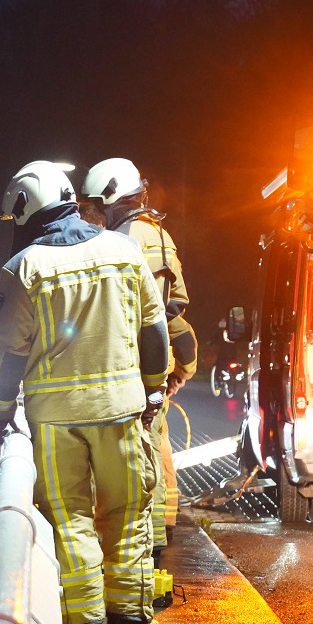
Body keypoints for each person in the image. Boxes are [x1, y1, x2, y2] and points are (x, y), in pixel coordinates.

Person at [0, 160, 170, 624]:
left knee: (70, 518)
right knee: (127, 512)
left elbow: (9, 355)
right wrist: (154, 387)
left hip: (53, 419)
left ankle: (83, 623)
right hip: (121, 410)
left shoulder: (22, 268)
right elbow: (154, 328)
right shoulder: (124, 250)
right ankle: (130, 616)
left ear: (25, 209)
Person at [82, 158, 198, 578]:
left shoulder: (121, 241)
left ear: (111, 197)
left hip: (129, 362)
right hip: (157, 357)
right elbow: (175, 308)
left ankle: (137, 546)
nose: (97, 213)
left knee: (133, 451)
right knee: (155, 441)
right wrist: (181, 363)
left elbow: (118, 309)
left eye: (99, 204)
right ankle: (160, 531)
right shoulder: (162, 236)